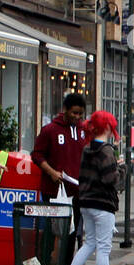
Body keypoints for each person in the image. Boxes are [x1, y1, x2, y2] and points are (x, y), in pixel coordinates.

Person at [58, 111, 130, 265]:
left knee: (89, 243)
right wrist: (122, 168)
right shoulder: (106, 150)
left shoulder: (87, 148)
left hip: (86, 202)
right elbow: (110, 179)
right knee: (104, 248)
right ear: (107, 127)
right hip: (102, 204)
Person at [31, 94, 88, 242]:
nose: (77, 117)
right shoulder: (50, 130)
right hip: (54, 189)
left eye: (80, 114)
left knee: (72, 233)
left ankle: (68, 264)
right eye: (74, 113)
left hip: (76, 190)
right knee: (54, 231)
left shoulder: (83, 130)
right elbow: (37, 155)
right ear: (65, 110)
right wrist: (51, 172)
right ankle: (50, 262)